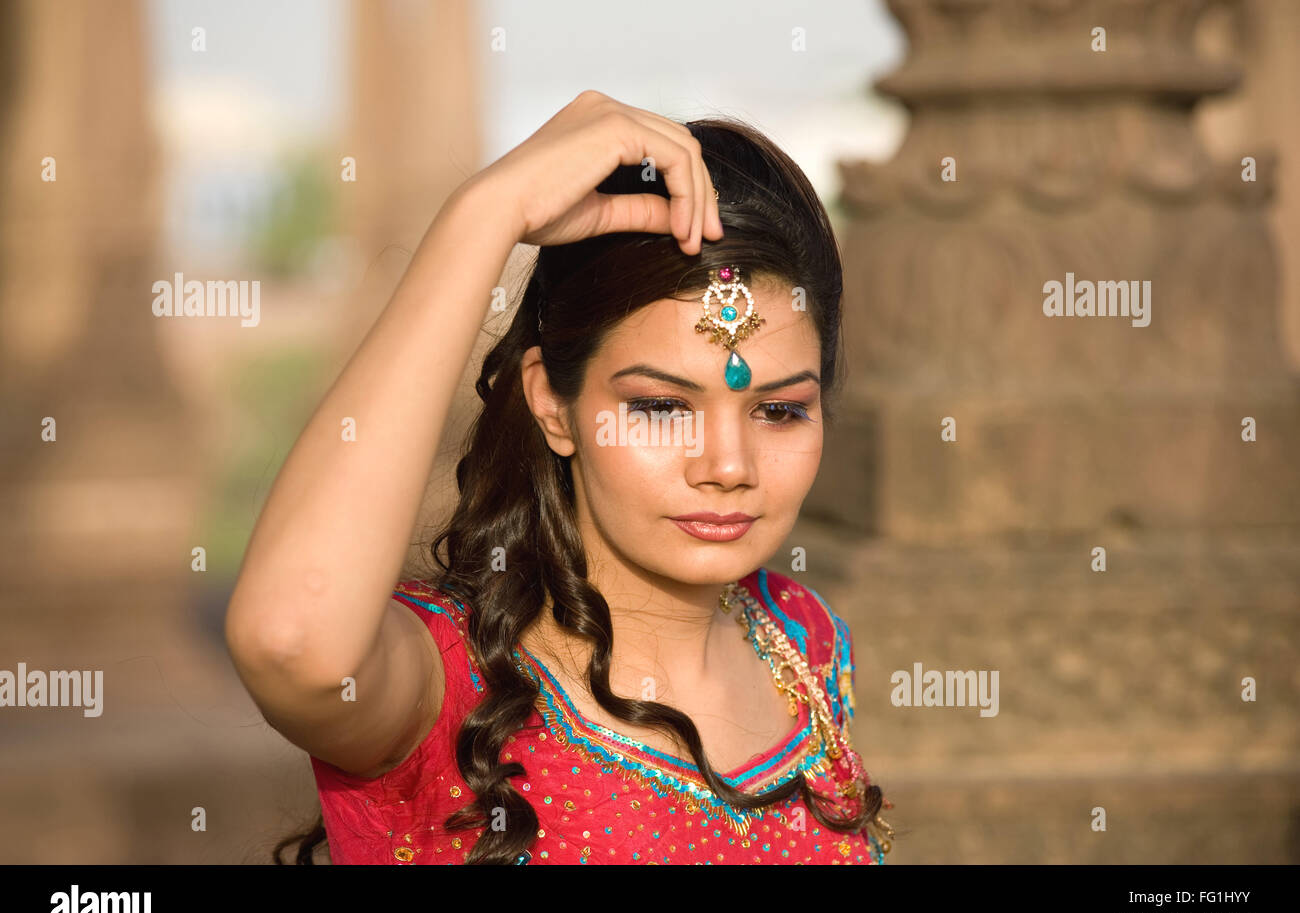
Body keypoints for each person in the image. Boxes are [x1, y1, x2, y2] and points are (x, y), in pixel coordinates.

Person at [224, 89, 893, 865]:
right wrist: (486, 214)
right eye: (660, 406)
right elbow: (289, 638)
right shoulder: (449, 691)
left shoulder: (799, 640)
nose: (728, 468)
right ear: (554, 405)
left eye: (778, 411)